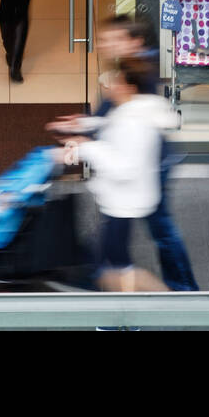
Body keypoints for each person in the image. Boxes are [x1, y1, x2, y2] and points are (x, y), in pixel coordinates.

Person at [52, 15, 199, 291]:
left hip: (142, 171)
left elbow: (127, 128)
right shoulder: (127, 71)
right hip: (130, 179)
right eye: (105, 39)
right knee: (123, 239)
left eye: (115, 39)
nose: (106, 45)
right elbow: (118, 118)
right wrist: (85, 125)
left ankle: (179, 294)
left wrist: (85, 144)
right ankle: (115, 286)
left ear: (136, 42)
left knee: (157, 232)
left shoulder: (139, 74)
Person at [58, 58, 173, 292]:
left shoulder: (132, 123)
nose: (110, 86)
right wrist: (81, 125)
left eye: (116, 81)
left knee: (115, 265)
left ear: (130, 87)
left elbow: (124, 166)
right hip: (122, 200)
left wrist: (83, 147)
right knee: (112, 262)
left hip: (123, 201)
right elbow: (111, 125)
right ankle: (125, 315)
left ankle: (168, 305)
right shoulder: (132, 109)